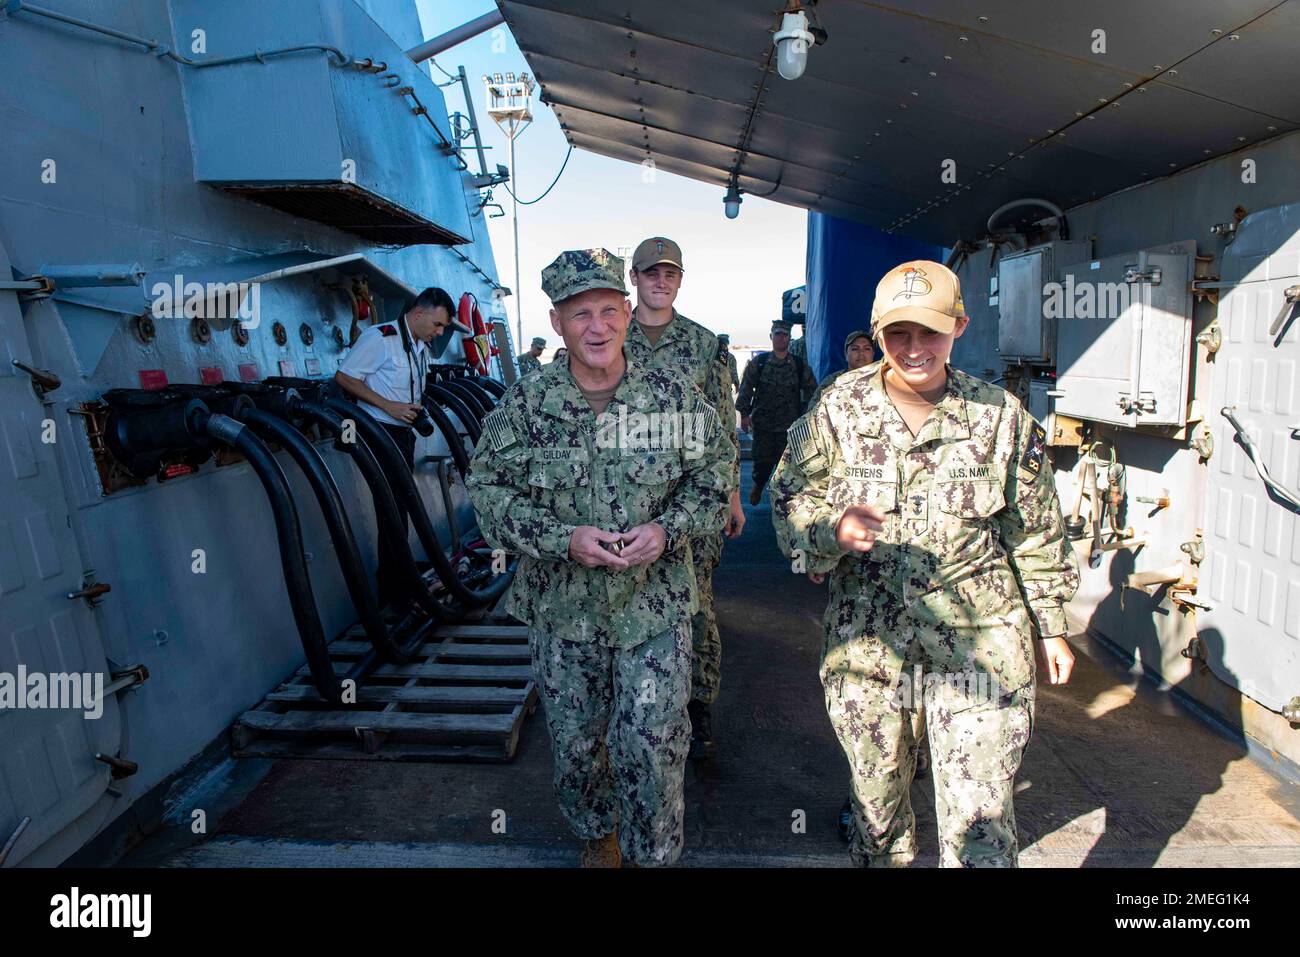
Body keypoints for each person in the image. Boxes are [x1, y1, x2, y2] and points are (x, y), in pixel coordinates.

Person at [770, 260, 1079, 868]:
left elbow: (1035, 526)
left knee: (982, 821)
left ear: (959, 326)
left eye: (930, 332)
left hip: (980, 638)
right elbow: (789, 499)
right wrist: (830, 531)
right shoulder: (838, 407)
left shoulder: (999, 416)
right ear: (877, 331)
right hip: (868, 643)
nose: (915, 349)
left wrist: (1052, 623)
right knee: (877, 810)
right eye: (899, 334)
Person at [466, 248, 732, 868]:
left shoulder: (672, 398)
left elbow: (715, 475)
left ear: (627, 312)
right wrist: (562, 539)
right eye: (580, 313)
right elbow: (487, 488)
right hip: (565, 614)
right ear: (557, 322)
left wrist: (668, 529)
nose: (598, 327)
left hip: (654, 605)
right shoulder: (528, 405)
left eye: (610, 310)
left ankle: (654, 855)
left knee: (654, 742)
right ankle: (598, 835)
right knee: (578, 743)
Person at [625, 236, 743, 758]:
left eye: (670, 273)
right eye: (651, 272)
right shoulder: (610, 336)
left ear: (680, 280)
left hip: (689, 500)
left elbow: (722, 426)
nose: (661, 280)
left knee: (695, 605)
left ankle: (698, 704)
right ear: (635, 278)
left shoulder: (702, 344)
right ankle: (634, 705)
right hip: (623, 498)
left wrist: (733, 496)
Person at [334, 287, 454, 611]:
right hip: (379, 430)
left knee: (399, 508)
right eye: (438, 324)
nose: (439, 333)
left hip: (403, 433)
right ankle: (395, 592)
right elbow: (345, 377)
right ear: (418, 314)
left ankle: (399, 582)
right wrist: (388, 406)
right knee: (393, 509)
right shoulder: (380, 337)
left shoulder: (419, 346)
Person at [736, 319, 816, 505]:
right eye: (778, 334)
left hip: (791, 426)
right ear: (771, 337)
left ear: (789, 338)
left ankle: (785, 503)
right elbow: (746, 388)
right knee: (762, 464)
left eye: (785, 335)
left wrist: (808, 417)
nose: (781, 338)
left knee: (790, 468)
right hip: (764, 425)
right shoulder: (760, 363)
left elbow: (813, 391)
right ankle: (758, 485)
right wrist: (745, 414)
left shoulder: (798, 365)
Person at [808, 329, 873, 410]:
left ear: (873, 353)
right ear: (846, 354)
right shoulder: (832, 382)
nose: (861, 353)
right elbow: (812, 413)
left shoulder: (882, 380)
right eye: (855, 349)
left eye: (867, 349)